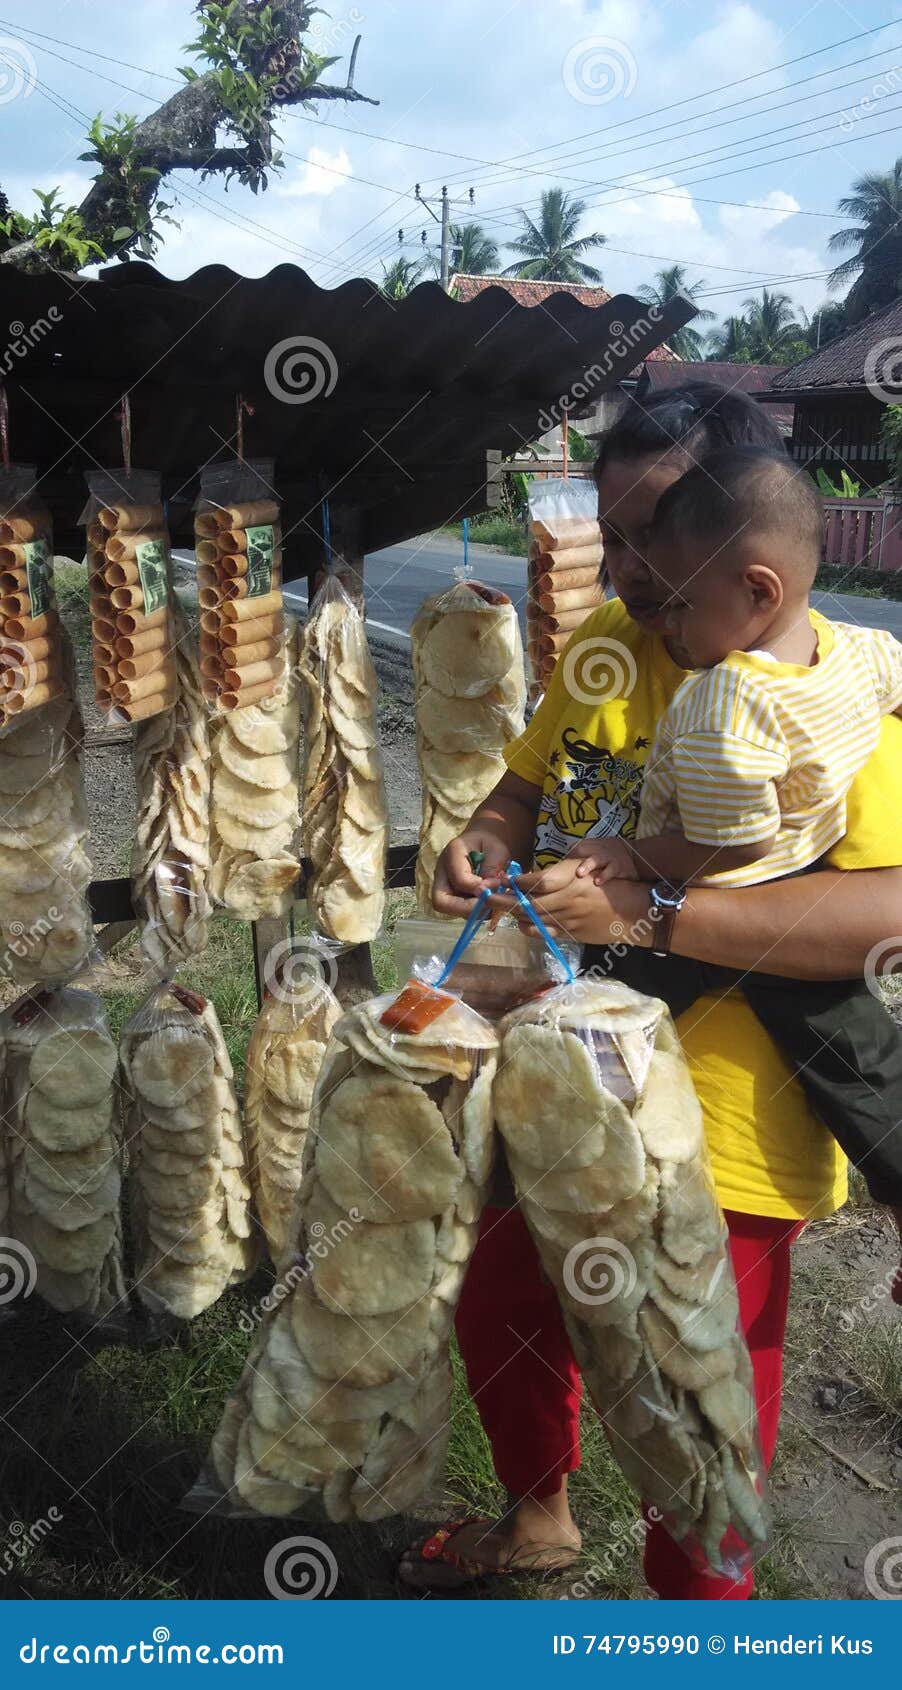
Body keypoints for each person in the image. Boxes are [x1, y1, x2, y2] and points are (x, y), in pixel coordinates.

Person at [398, 381, 902, 1599]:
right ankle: (539, 1512)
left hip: (720, 1125)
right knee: (506, 1302)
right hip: (550, 1064)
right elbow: (528, 785)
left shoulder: (830, 699)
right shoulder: (615, 643)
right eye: (610, 538)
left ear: (730, 541)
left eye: (646, 538)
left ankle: (700, 1631)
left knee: (696, 1407)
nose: (619, 568)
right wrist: (488, 833)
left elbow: (879, 914)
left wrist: (655, 910)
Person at [567, 446, 902, 1259]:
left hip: (746, 881)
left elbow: (731, 843)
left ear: (757, 590)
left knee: (605, 1005)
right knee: (852, 1051)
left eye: (681, 602)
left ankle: (581, 1124)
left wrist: (636, 871)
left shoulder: (724, 700)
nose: (667, 620)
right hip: (809, 876)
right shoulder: (858, 653)